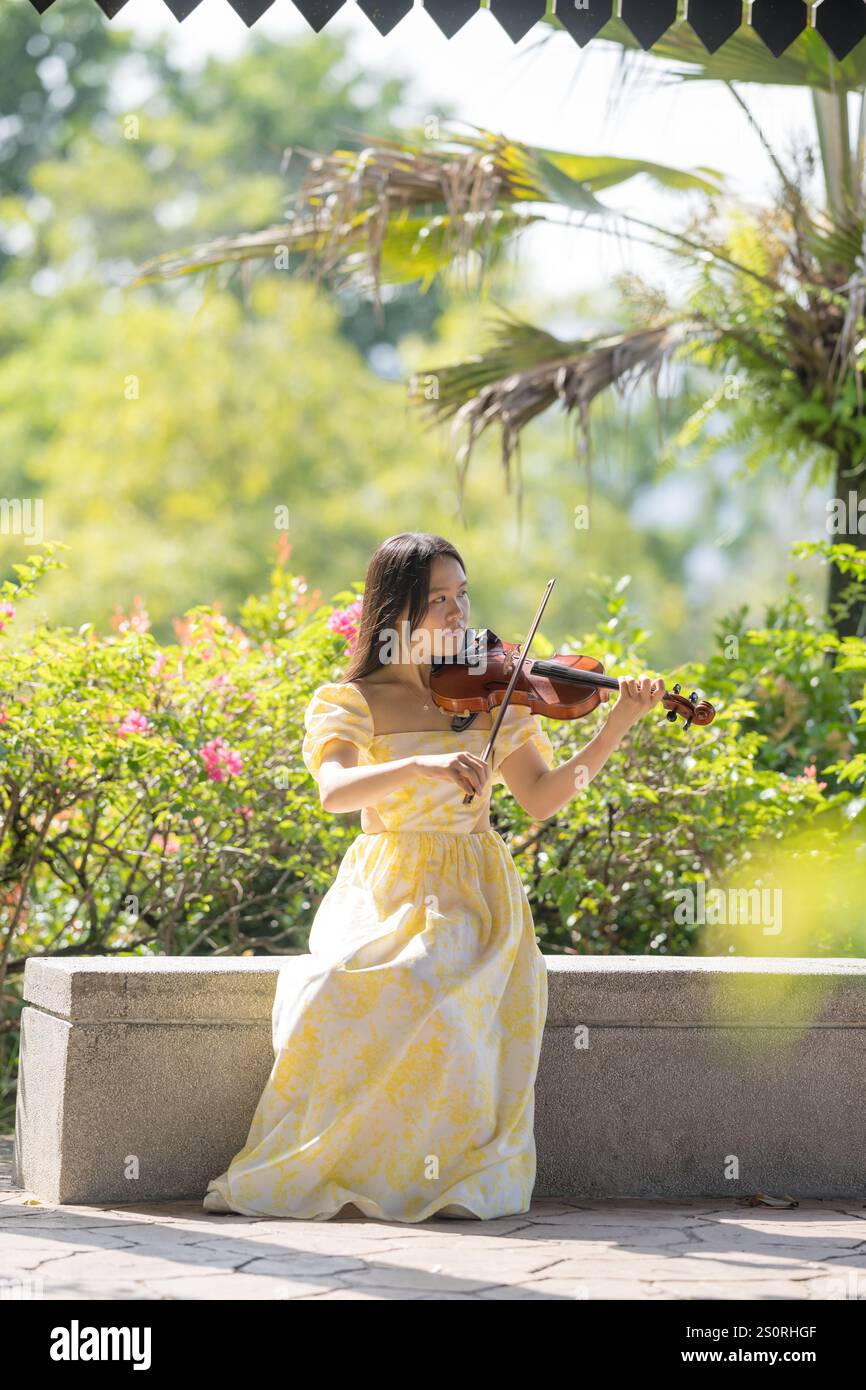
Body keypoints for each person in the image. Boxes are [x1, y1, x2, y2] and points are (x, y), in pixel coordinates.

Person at [203, 532, 665, 1221]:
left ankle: (438, 1176)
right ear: (395, 615)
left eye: (463, 596)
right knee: (333, 986)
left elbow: (541, 796)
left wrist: (618, 723)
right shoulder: (352, 701)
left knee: (438, 991)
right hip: (383, 883)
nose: (458, 614)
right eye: (438, 601)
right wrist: (419, 767)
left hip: (471, 890)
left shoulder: (491, 697)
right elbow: (334, 790)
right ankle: (339, 1164)